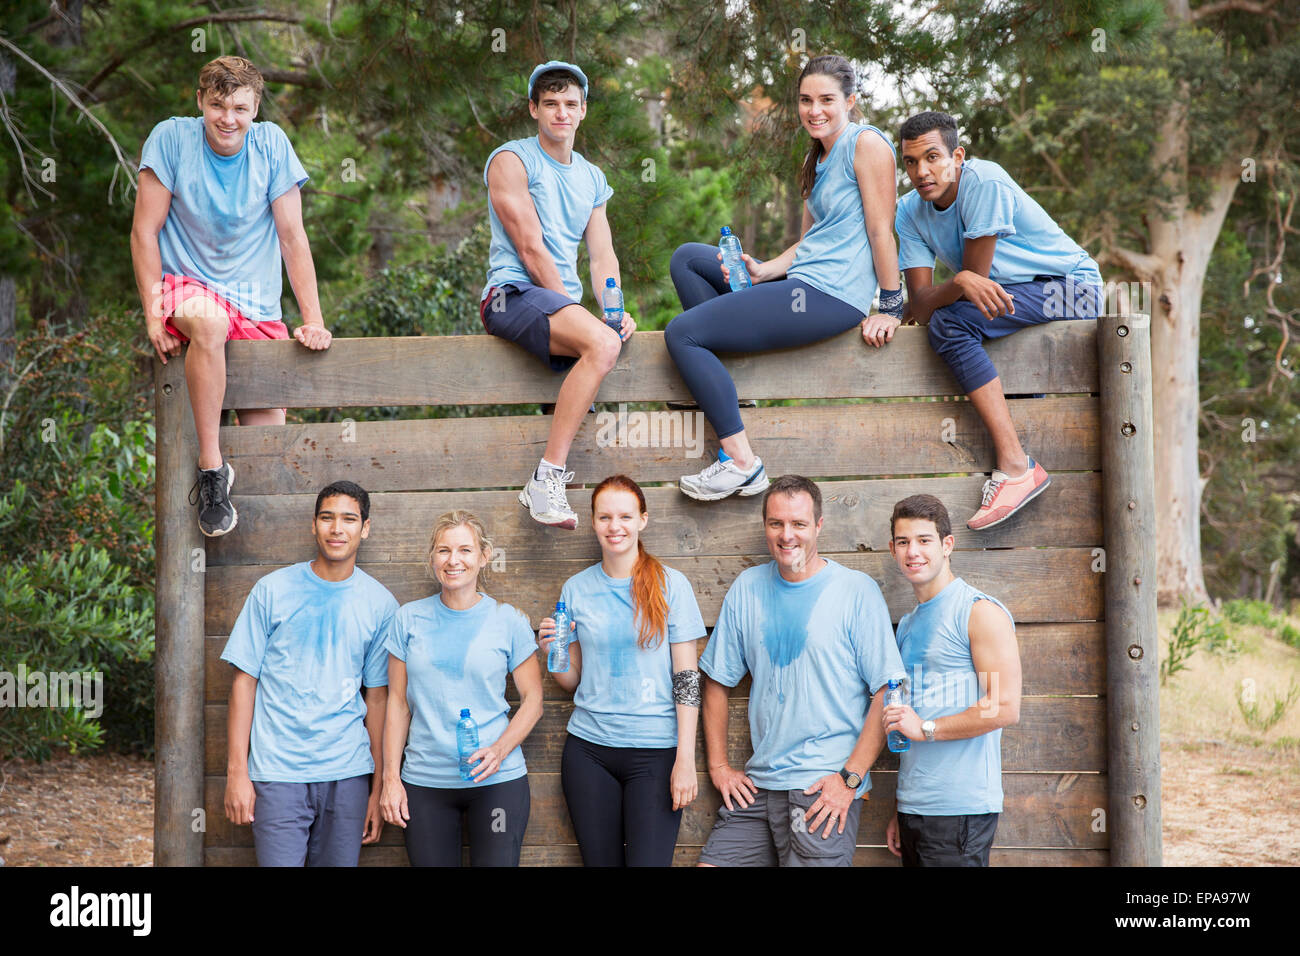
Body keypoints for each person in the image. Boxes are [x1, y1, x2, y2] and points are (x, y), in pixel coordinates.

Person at [665, 54, 901, 502]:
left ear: (850, 101)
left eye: (827, 100)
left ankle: (741, 462)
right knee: (689, 259)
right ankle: (734, 392)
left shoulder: (866, 144)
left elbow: (879, 229)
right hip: (801, 282)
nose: (815, 110)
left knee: (682, 334)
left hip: (828, 296)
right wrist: (765, 268)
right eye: (806, 100)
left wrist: (890, 305)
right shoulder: (818, 158)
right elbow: (808, 242)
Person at [132, 55, 332, 537]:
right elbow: (144, 231)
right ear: (200, 100)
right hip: (189, 288)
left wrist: (313, 319)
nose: (228, 118)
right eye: (218, 105)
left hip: (255, 303)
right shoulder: (172, 139)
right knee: (210, 323)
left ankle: (258, 556)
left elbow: (293, 237)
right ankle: (211, 470)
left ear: (256, 107)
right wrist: (153, 316)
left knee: (270, 453)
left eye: (240, 107)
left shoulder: (272, 146)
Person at [895, 110, 1104, 530]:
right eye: (911, 162)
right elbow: (920, 303)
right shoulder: (908, 212)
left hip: (1073, 288)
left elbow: (975, 280)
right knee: (958, 326)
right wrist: (956, 284)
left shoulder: (984, 182)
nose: (922, 171)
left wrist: (957, 284)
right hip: (1015, 299)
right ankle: (1023, 478)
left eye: (933, 157)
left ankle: (1014, 466)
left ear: (957, 156)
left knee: (952, 324)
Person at [696, 475, 905, 866]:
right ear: (765, 527)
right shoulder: (747, 588)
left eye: (798, 524)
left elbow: (889, 690)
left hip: (823, 787)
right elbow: (717, 682)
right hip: (759, 787)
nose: (786, 535)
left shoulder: (855, 591)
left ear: (819, 526)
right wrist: (719, 766)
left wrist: (850, 779)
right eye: (776, 523)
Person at [480, 60, 636, 531]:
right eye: (551, 104)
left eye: (570, 104)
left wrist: (613, 313)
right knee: (603, 346)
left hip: (556, 304)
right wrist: (582, 319)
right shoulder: (512, 159)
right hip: (511, 293)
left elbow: (603, 256)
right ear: (534, 109)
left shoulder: (591, 178)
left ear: (583, 111)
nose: (561, 113)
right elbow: (530, 247)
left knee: (608, 341)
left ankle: (555, 488)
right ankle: (545, 479)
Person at [220, 480, 395, 867]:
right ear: (313, 525)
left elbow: (378, 698)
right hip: (277, 771)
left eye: (349, 519)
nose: (337, 529)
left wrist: (378, 785)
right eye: (327, 518)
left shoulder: (381, 604)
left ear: (364, 528)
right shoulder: (271, 591)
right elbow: (243, 683)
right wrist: (237, 772)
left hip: (347, 772)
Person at [536, 475, 706, 866]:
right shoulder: (576, 589)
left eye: (625, 516)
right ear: (593, 522)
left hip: (656, 754)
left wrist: (685, 760)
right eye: (605, 517)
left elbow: (686, 679)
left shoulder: (671, 586)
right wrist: (553, 653)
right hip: (588, 753)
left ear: (643, 520)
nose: (615, 526)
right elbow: (573, 680)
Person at [380, 511, 543, 866]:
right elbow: (397, 704)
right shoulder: (407, 620)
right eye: (444, 551)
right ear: (433, 558)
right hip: (425, 785)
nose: (454, 560)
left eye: (465, 550)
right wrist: (390, 780)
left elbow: (533, 701)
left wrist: (499, 751)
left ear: (484, 557)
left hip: (497, 785)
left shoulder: (508, 621)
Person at [882, 494, 1021, 866]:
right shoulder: (908, 626)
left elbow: (1002, 706)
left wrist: (925, 727)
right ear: (893, 549)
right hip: (915, 808)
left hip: (961, 810)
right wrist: (902, 806)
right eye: (903, 541)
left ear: (947, 545)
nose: (913, 551)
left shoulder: (979, 613)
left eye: (924, 540)